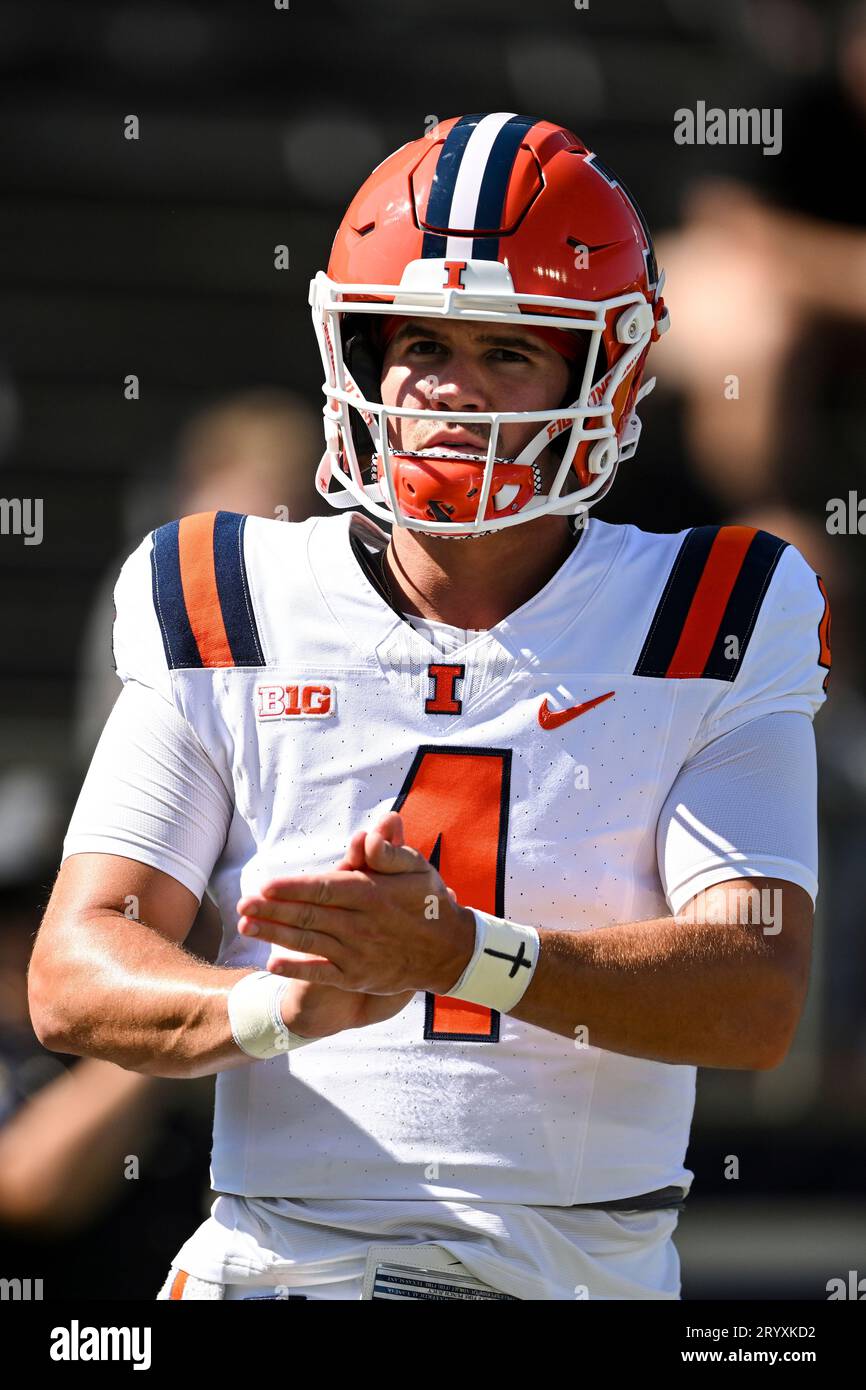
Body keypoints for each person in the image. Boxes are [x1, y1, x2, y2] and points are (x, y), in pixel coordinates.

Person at [28, 113, 830, 1301]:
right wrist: (270, 1004)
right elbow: (74, 975)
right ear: (358, 358)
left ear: (600, 374)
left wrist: (464, 954)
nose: (452, 393)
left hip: (573, 1272)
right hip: (277, 1257)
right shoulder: (224, 591)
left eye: (508, 353)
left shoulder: (711, 605)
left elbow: (752, 993)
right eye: (419, 344)